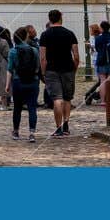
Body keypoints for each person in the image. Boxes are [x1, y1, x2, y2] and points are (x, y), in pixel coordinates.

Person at [38, 8, 79, 138]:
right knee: (67, 98)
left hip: (52, 69)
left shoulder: (45, 35)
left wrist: (43, 72)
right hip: (68, 68)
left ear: (50, 19)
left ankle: (59, 127)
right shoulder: (70, 34)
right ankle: (66, 124)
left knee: (57, 99)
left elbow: (43, 57)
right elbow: (76, 55)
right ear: (61, 17)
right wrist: (75, 68)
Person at [8, 26, 40, 141]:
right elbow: (37, 67)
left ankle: (16, 131)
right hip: (33, 81)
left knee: (17, 108)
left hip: (18, 81)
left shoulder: (12, 51)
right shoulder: (35, 50)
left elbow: (10, 69)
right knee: (32, 108)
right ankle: (32, 133)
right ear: (26, 37)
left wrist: (7, 85)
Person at [89, 20, 110, 105]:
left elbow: (97, 49)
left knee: (102, 81)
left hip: (101, 60)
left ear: (101, 28)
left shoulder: (98, 38)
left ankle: (103, 101)